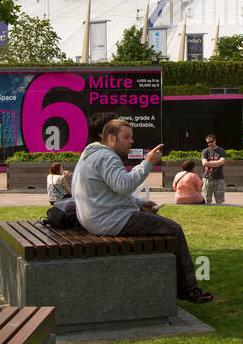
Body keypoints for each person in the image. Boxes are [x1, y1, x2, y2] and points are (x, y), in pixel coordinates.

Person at [73, 117, 213, 303]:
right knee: (174, 229)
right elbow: (123, 185)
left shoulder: (92, 155)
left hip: (96, 219)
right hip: (109, 221)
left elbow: (111, 191)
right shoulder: (107, 156)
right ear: (111, 138)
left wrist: (139, 205)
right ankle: (189, 289)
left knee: (161, 226)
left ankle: (175, 284)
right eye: (127, 137)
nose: (131, 141)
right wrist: (148, 163)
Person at [201, 133, 226, 205]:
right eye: (208, 142)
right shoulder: (205, 151)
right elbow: (204, 163)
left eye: (211, 142)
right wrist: (216, 163)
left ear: (215, 141)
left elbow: (222, 162)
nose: (209, 144)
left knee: (219, 200)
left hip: (219, 177)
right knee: (206, 200)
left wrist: (210, 163)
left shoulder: (221, 151)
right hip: (207, 177)